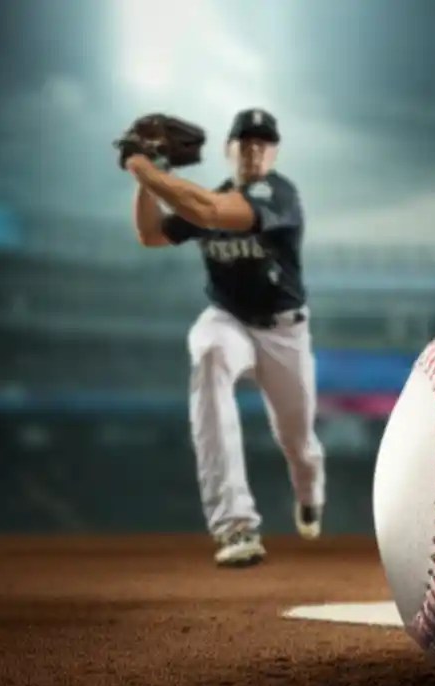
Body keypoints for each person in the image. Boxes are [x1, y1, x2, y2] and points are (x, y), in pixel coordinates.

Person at [122, 108, 326, 568]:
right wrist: (149, 178)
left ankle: (310, 494)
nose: (254, 148)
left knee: (299, 444)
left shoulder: (279, 195)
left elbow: (210, 212)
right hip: (229, 319)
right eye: (245, 140)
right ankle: (235, 523)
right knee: (210, 351)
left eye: (263, 141)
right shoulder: (206, 194)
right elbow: (151, 234)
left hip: (284, 331)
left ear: (274, 151)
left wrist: (144, 166)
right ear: (228, 149)